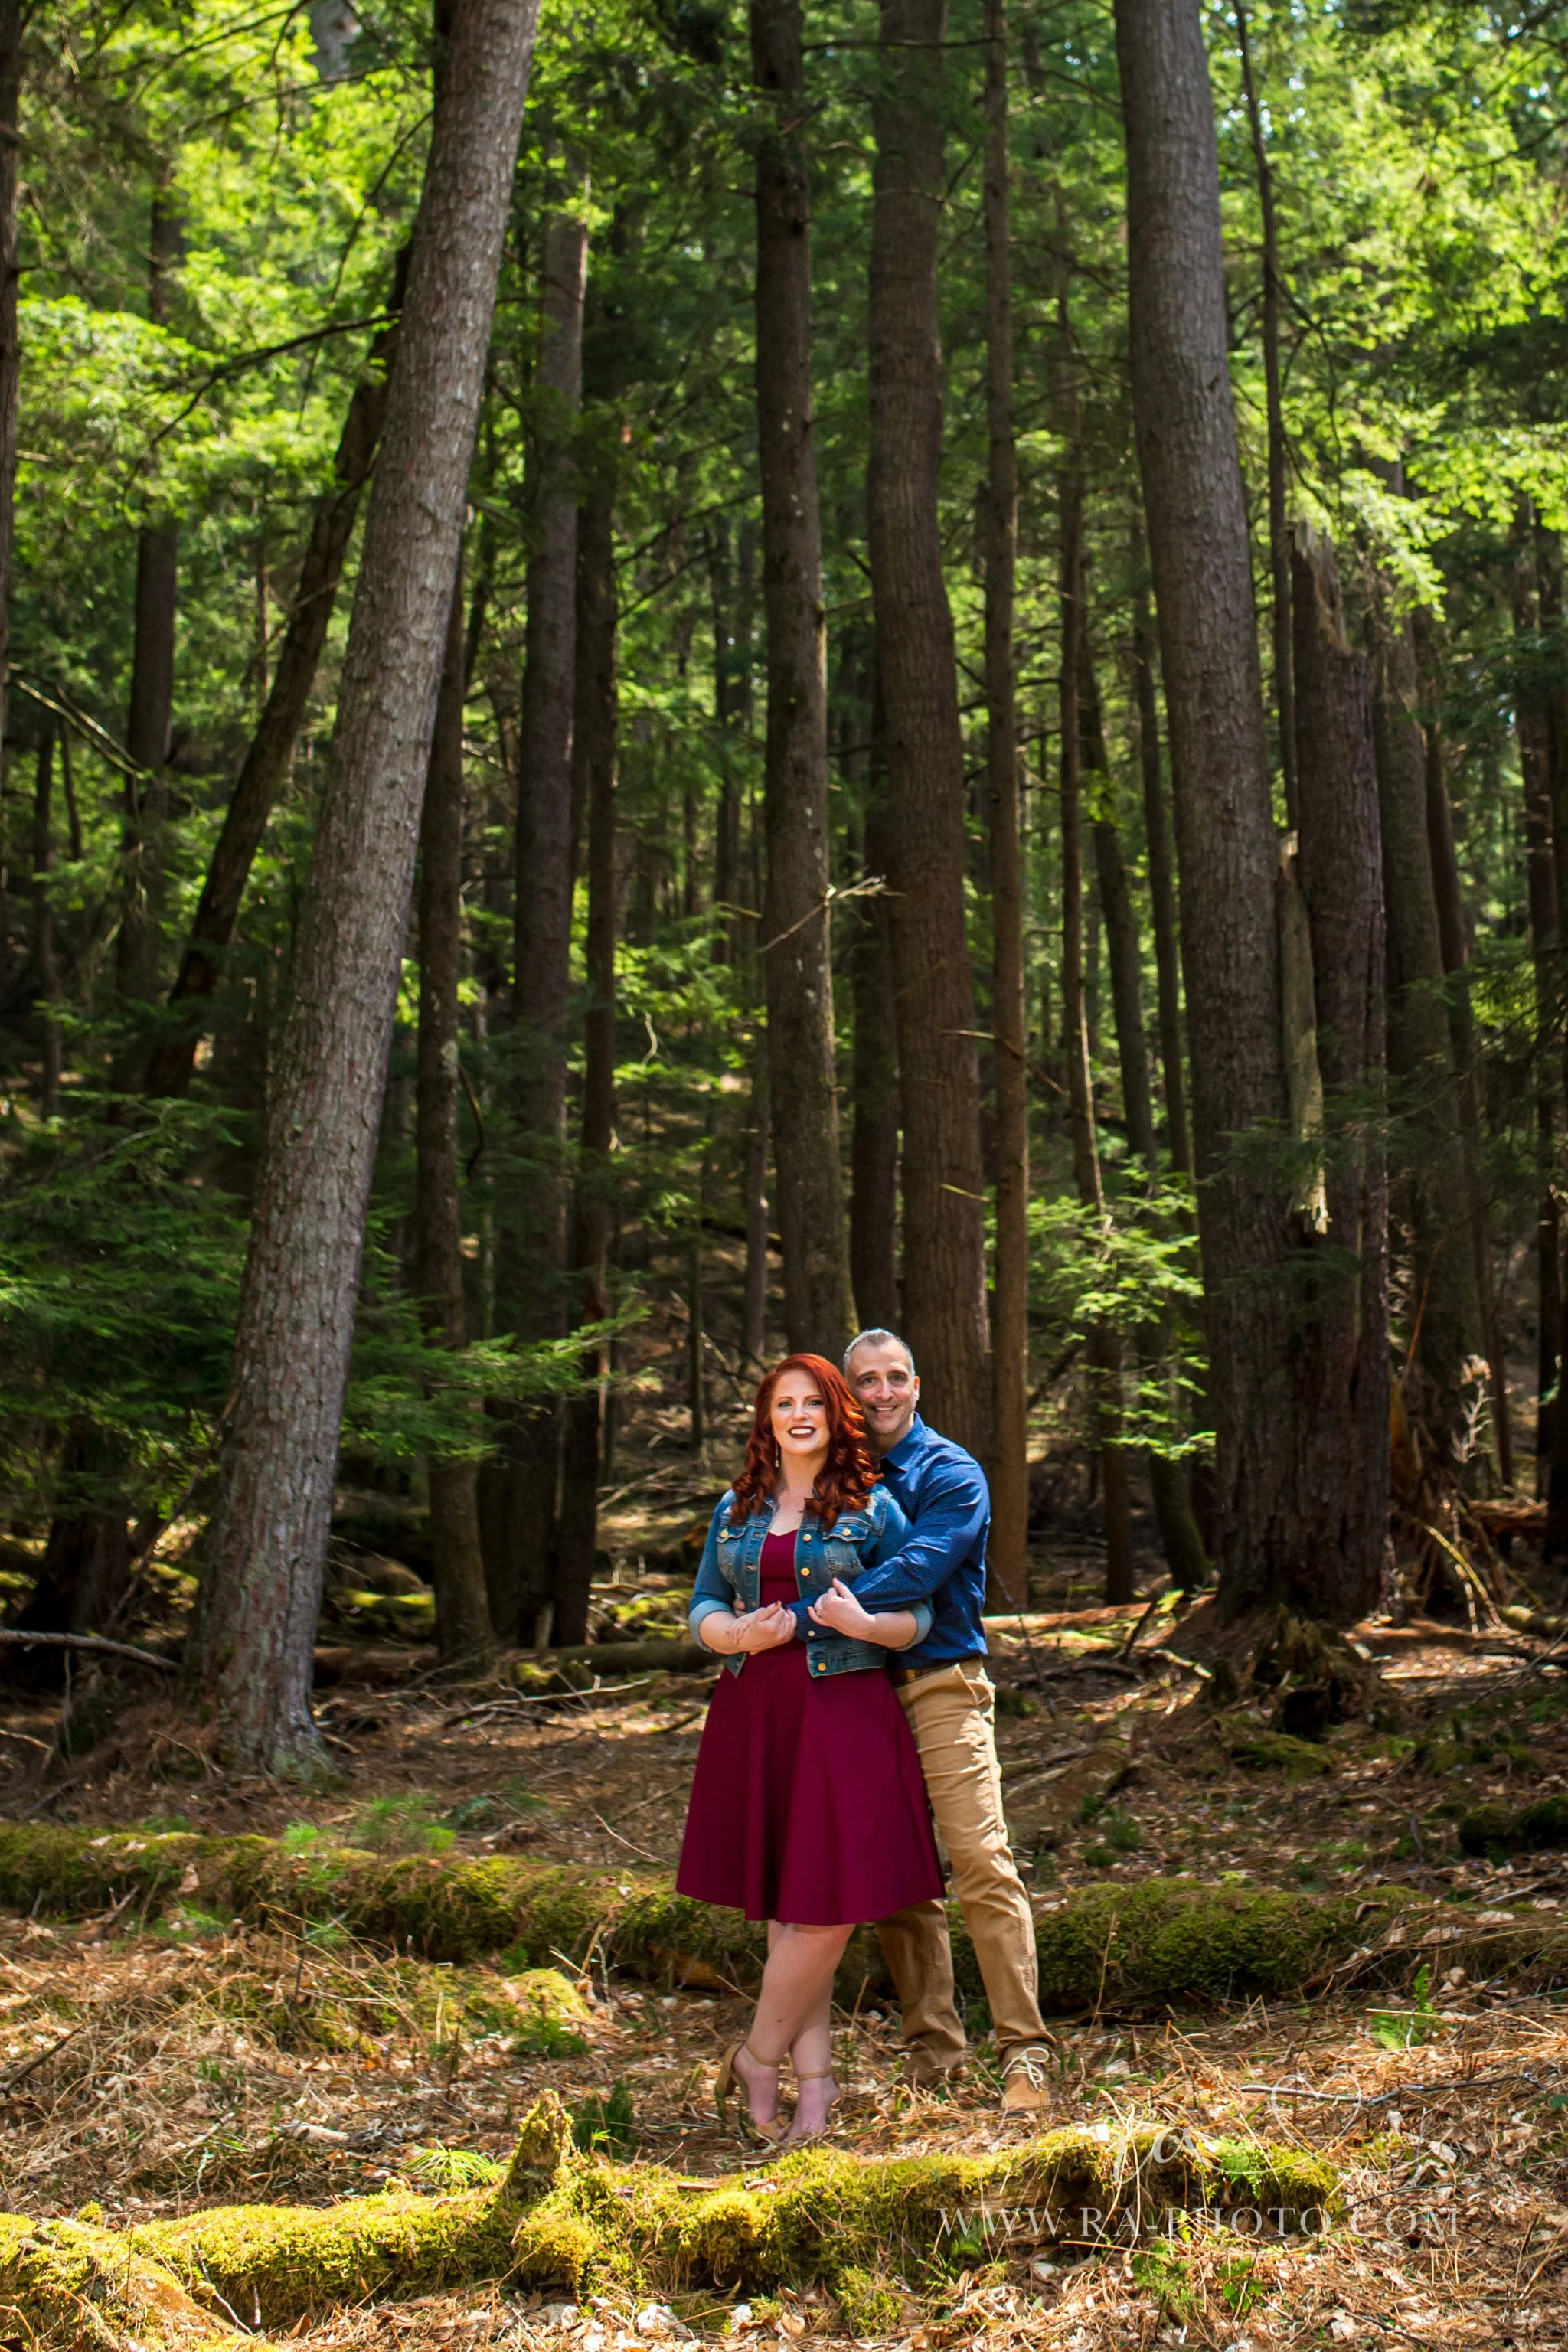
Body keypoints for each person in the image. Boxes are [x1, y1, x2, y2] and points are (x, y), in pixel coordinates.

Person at [676, 1353, 943, 2146]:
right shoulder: (735, 1507)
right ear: (766, 1418)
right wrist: (733, 1633)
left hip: (844, 1713)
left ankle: (757, 2057)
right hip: (756, 1711)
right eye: (782, 1403)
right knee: (790, 1913)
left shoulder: (873, 1507)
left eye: (812, 1404)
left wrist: (864, 1623)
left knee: (826, 1915)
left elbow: (915, 1618)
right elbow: (701, 1603)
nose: (797, 1415)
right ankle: (813, 2092)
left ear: (834, 1416)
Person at [805, 1328, 1056, 2117]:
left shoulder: (950, 1471)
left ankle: (1025, 2054)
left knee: (980, 1861)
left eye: (894, 1378)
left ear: (916, 1385)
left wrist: (816, 1611)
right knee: (898, 1883)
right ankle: (934, 2056)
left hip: (941, 1682)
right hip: (860, 1691)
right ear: (849, 1391)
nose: (880, 1393)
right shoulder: (832, 1476)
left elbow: (922, 1567)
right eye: (865, 1381)